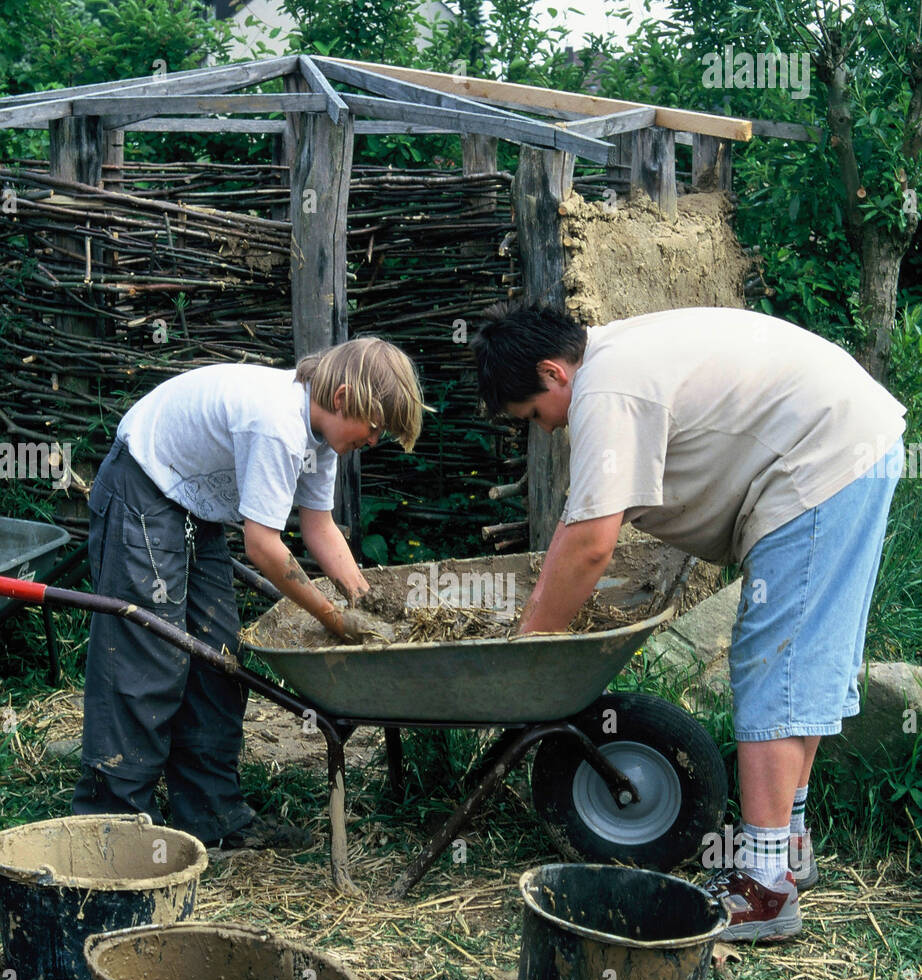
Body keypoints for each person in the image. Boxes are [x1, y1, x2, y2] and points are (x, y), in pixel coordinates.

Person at [471, 304, 905, 942]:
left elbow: (590, 542)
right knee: (799, 662)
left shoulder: (607, 389)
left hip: (824, 459)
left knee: (774, 665)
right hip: (845, 445)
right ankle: (786, 848)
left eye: (534, 415)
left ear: (552, 372)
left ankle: (763, 888)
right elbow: (581, 526)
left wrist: (531, 652)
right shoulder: (615, 360)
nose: (543, 429)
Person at [72, 337, 426, 851]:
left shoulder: (322, 435)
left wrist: (363, 601)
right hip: (144, 489)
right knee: (149, 658)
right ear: (346, 396)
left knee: (219, 655)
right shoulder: (277, 424)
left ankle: (213, 817)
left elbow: (319, 526)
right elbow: (264, 548)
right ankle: (113, 828)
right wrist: (332, 618)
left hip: (195, 509)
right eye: (374, 427)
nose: (374, 440)